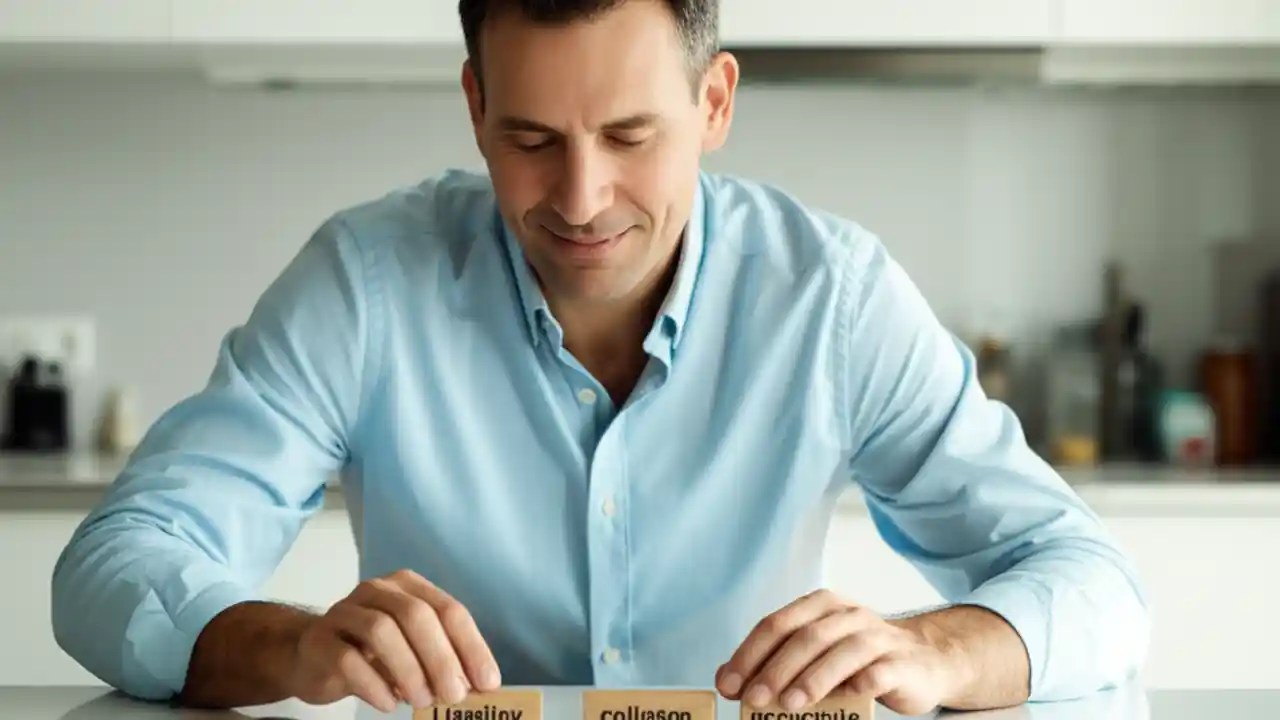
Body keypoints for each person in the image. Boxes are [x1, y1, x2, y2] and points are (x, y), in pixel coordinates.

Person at [50, 0, 1150, 716]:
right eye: (531, 140)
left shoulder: (831, 298)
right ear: (475, 109)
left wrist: (935, 654)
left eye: (629, 137)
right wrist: (292, 650)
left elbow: (1092, 586)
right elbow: (117, 566)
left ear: (712, 103)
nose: (580, 202)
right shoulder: (365, 283)